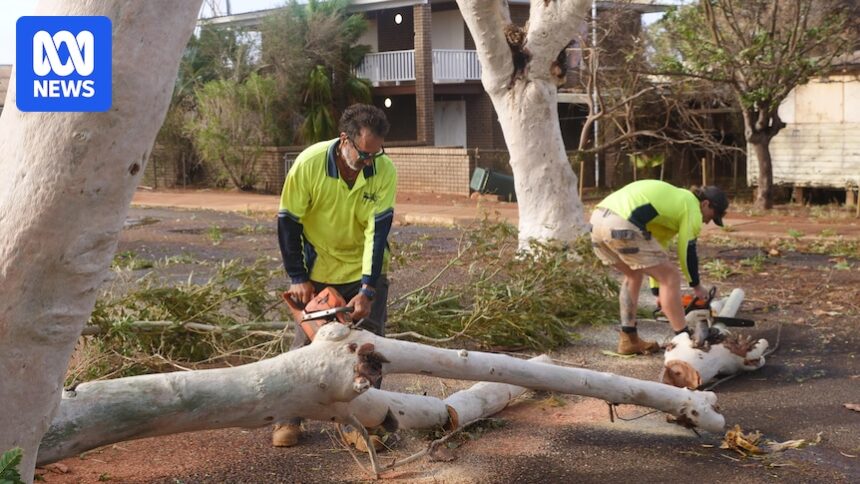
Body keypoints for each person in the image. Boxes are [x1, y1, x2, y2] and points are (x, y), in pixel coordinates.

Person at [272, 103, 396, 449]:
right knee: (304, 348)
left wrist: (368, 290)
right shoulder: (309, 164)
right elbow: (288, 221)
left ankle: (361, 424)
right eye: (364, 152)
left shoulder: (383, 171)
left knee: (369, 351)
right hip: (317, 271)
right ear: (345, 140)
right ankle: (288, 418)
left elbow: (378, 230)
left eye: (377, 152)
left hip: (364, 270)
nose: (370, 159)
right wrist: (297, 275)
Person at [589, 179, 729, 355]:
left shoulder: (672, 206)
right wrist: (696, 286)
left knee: (634, 275)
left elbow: (655, 252)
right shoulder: (691, 206)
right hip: (621, 223)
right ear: (706, 203)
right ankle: (683, 337)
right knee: (671, 277)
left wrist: (658, 294)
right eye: (712, 215)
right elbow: (687, 250)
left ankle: (628, 339)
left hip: (596, 222)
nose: (708, 221)